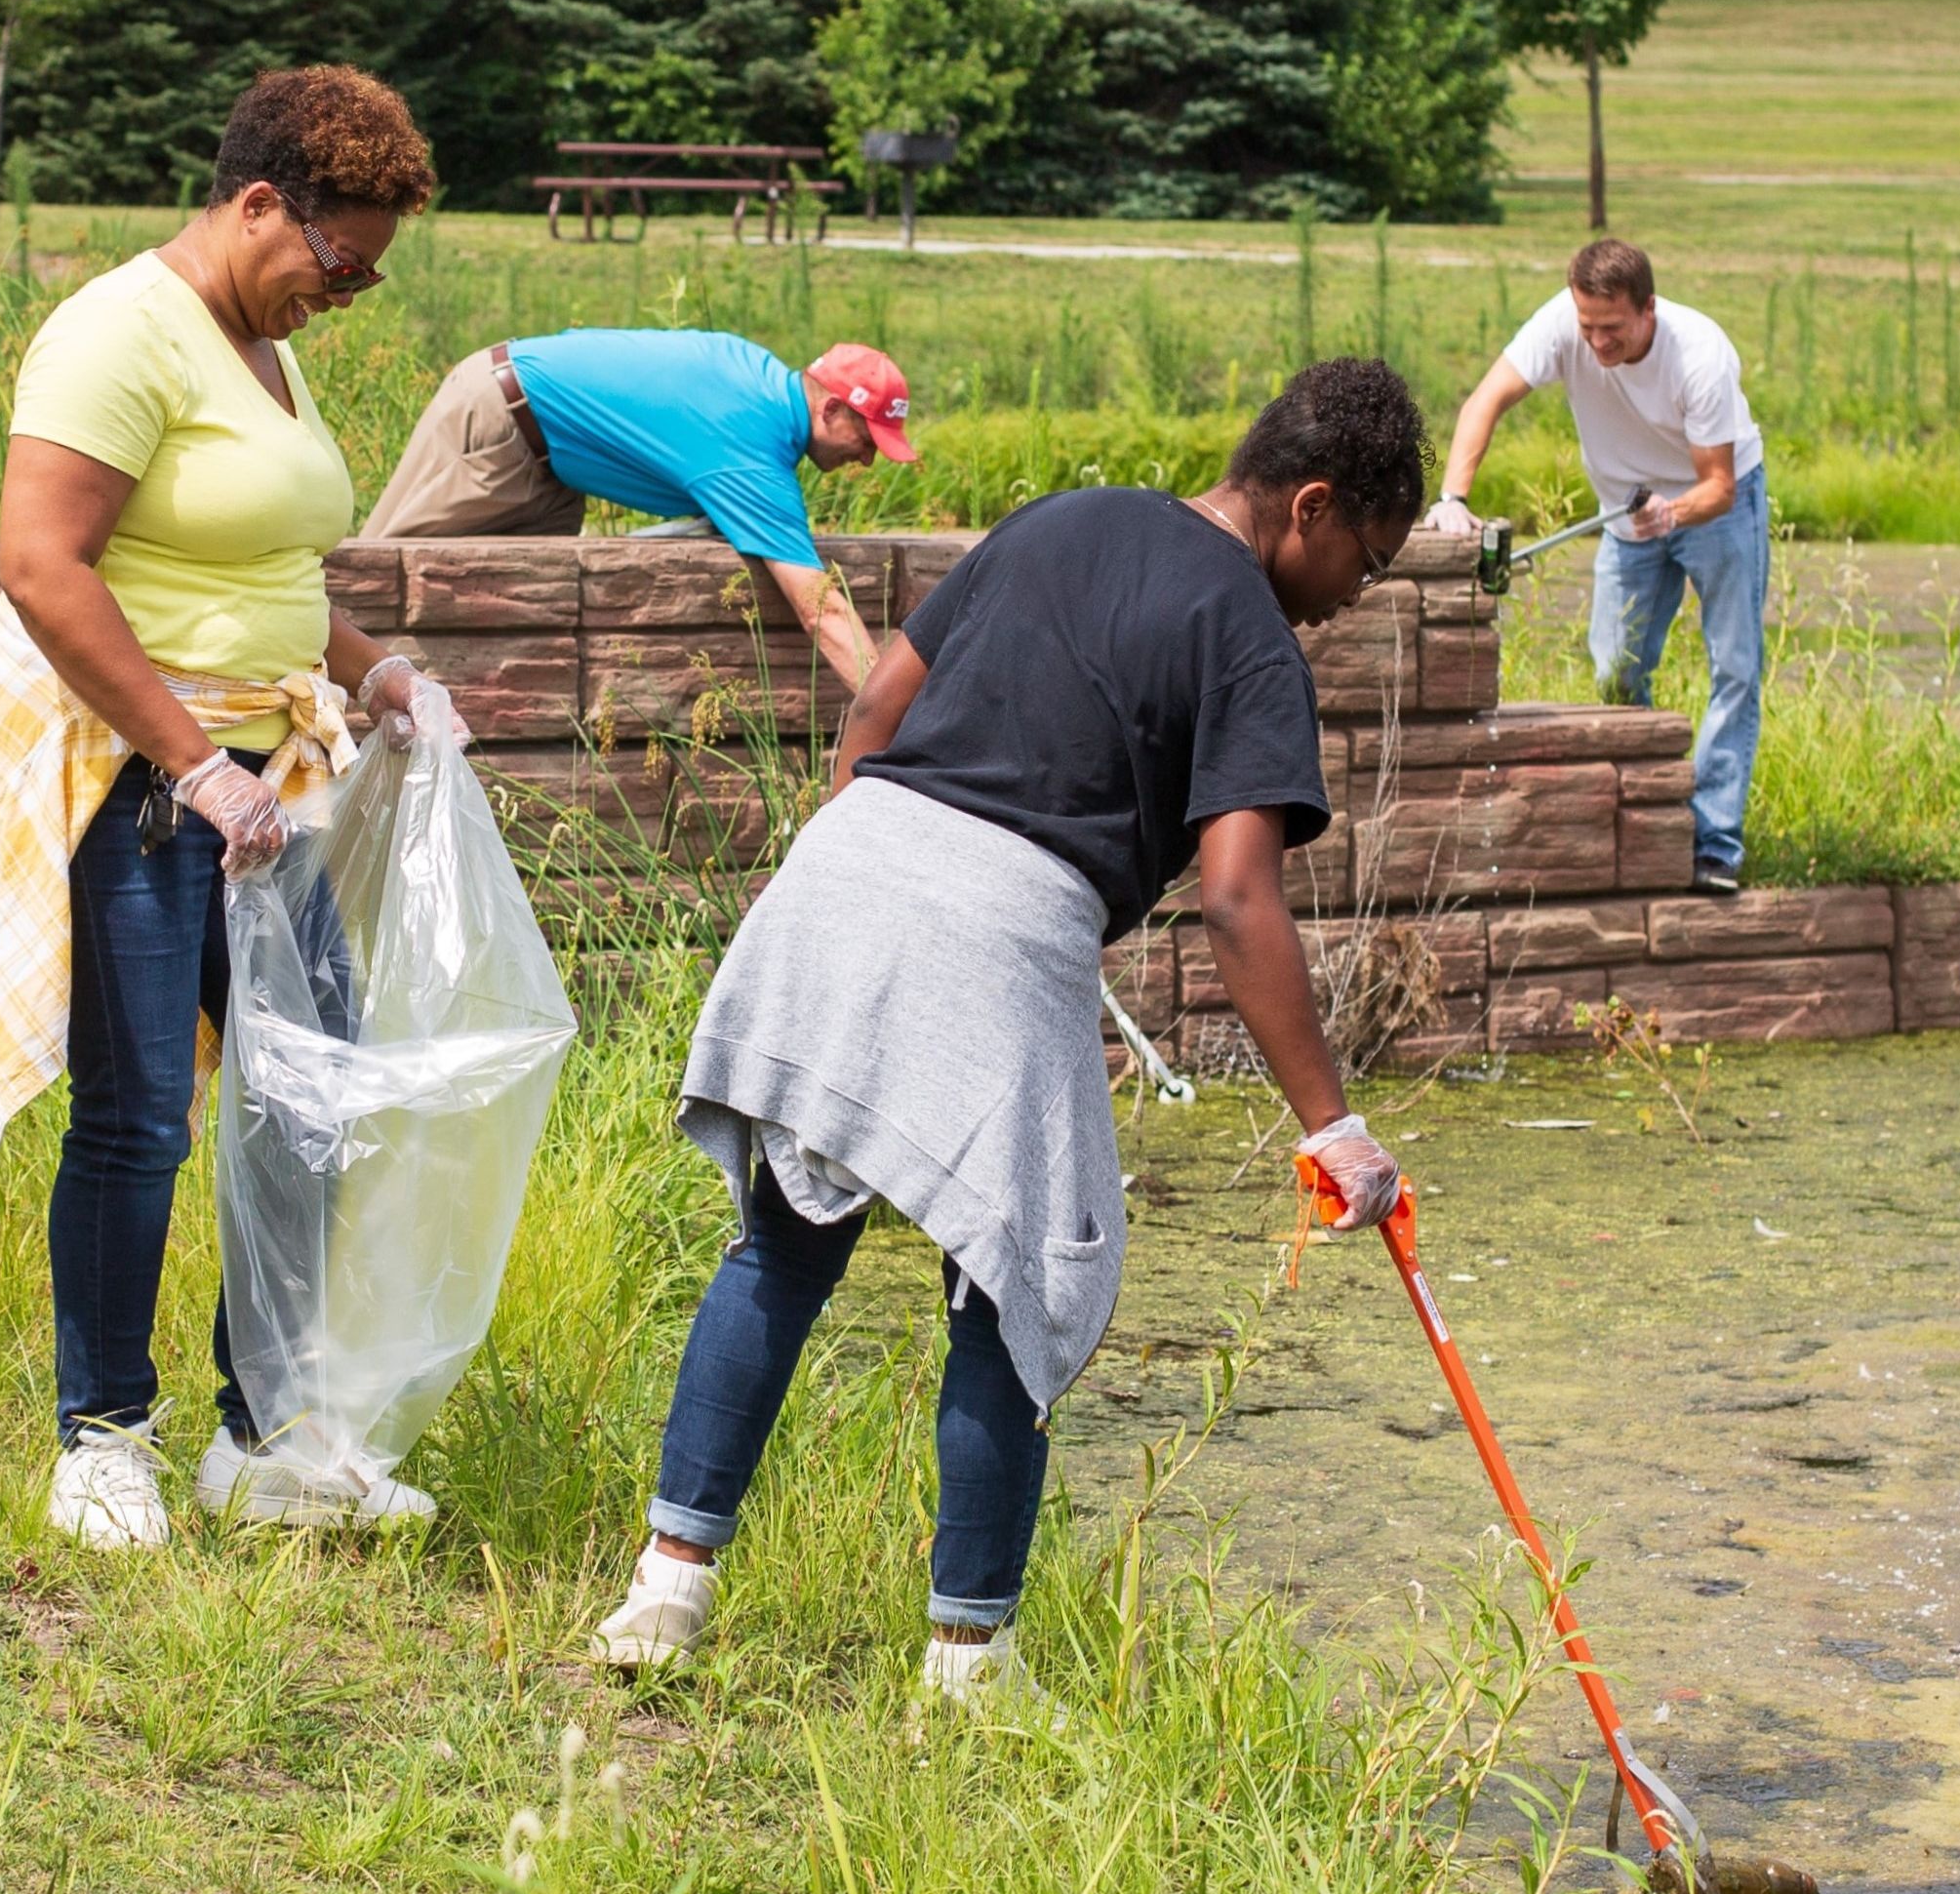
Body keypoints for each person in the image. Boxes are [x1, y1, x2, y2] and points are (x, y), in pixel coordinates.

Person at [582, 359, 1429, 1703]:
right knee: (1014, 1287)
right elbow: (1235, 893)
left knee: (784, 1249)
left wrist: (871, 871)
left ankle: (663, 1594)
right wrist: (1334, 1124)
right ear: (1311, 504)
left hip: (846, 863)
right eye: (1365, 562)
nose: (1352, 597)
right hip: (1003, 913)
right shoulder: (1251, 634)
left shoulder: (1059, 518)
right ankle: (966, 1667)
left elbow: (877, 705)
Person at [0, 64, 471, 1552]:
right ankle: (103, 1438)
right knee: (140, 1110)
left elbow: (260, 566)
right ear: (259, 202)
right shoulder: (117, 334)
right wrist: (194, 763)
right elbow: (44, 566)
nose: (348, 293)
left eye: (369, 273)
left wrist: (375, 668)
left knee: (312, 1091)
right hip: (142, 781)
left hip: (265, 780)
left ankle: (261, 1437)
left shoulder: (263, 344)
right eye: (340, 260)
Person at [1424, 238, 1766, 897]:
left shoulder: (1700, 354)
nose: (1598, 342)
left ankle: (1714, 844)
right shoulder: (1562, 322)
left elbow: (1719, 485)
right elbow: (1483, 401)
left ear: (1648, 309)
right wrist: (1452, 499)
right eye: (1588, 327)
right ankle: (1649, 830)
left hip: (1716, 508)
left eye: (1613, 328)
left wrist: (1672, 512)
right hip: (1626, 514)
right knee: (1615, 672)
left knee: (1735, 668)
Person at [361, 329, 912, 692]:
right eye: (868, 440)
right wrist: (898, 727)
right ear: (832, 409)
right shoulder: (752, 449)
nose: (867, 459)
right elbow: (822, 611)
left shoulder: (758, 380)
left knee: (526, 631)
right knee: (369, 592)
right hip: (499, 420)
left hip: (556, 467)